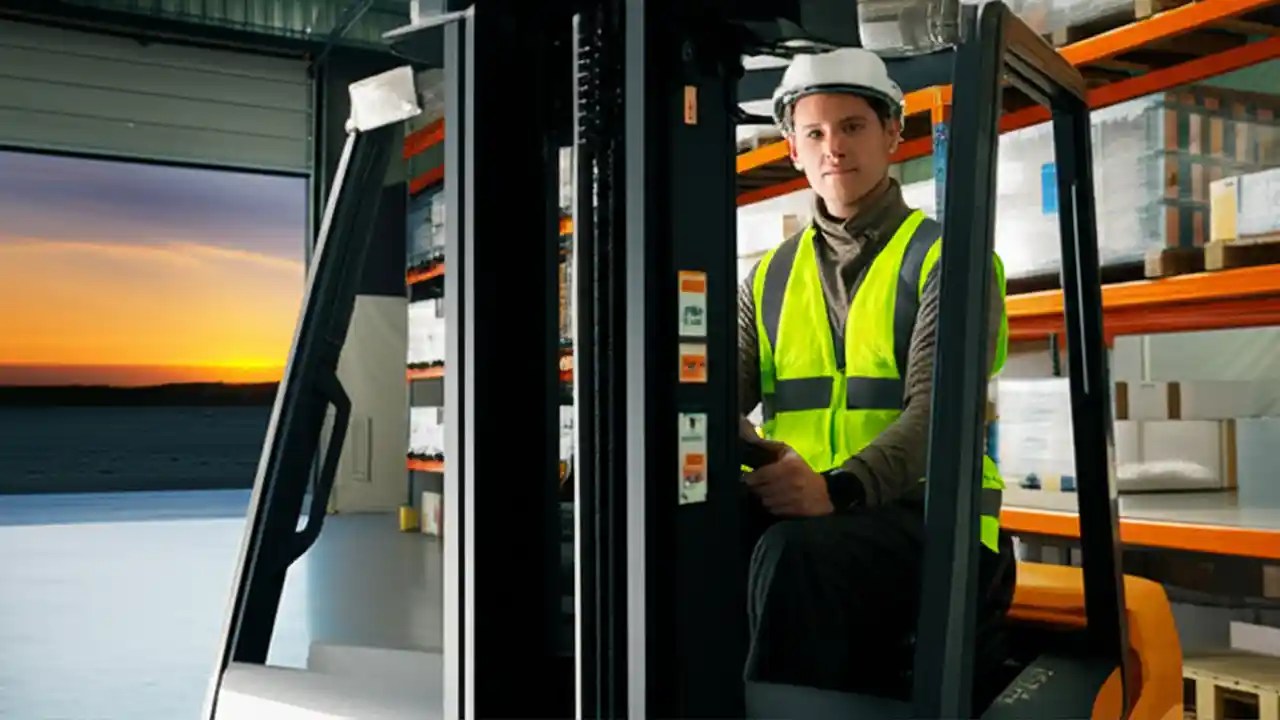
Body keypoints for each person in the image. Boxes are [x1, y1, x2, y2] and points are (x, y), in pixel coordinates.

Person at [738, 46, 1018, 704]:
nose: (833, 147)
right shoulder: (768, 275)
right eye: (815, 132)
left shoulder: (948, 257)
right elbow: (712, 396)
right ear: (793, 150)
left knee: (792, 557)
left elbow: (937, 417)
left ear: (893, 134)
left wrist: (839, 489)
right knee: (689, 527)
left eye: (853, 127)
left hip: (933, 523)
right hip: (821, 516)